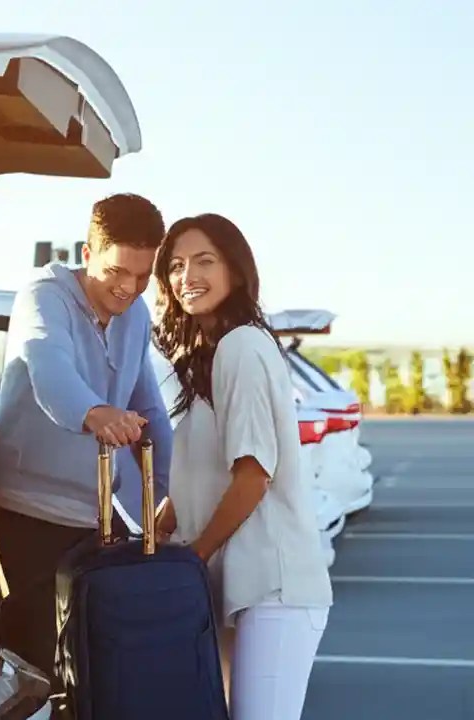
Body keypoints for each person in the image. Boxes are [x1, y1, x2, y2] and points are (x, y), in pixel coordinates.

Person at [150, 213, 333, 719]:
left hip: (273, 588)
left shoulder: (242, 346)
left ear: (235, 269)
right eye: (177, 265)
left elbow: (253, 476)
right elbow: (206, 474)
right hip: (238, 587)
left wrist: (192, 558)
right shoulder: (212, 353)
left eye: (205, 261)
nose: (189, 276)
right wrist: (157, 527)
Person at [0, 192, 175, 677]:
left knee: (87, 665)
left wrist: (169, 496)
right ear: (88, 254)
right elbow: (48, 365)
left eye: (141, 276)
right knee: (37, 662)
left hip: (97, 518)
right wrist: (95, 412)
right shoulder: (43, 295)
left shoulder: (134, 313)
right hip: (31, 517)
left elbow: (149, 406)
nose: (129, 288)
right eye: (117, 272)